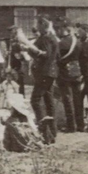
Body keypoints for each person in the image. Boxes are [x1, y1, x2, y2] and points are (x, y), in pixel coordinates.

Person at [30, 16, 59, 144]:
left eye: (38, 24)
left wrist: (30, 49)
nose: (36, 26)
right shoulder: (49, 37)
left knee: (35, 101)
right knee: (48, 100)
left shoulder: (46, 38)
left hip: (44, 73)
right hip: (50, 73)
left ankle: (44, 133)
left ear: (43, 25)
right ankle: (52, 132)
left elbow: (45, 54)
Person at [56, 18, 83, 133]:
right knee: (78, 99)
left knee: (67, 99)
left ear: (65, 29)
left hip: (65, 73)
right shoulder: (78, 41)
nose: (58, 31)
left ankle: (71, 126)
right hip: (77, 72)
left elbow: (56, 57)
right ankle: (80, 125)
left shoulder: (62, 43)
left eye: (60, 28)